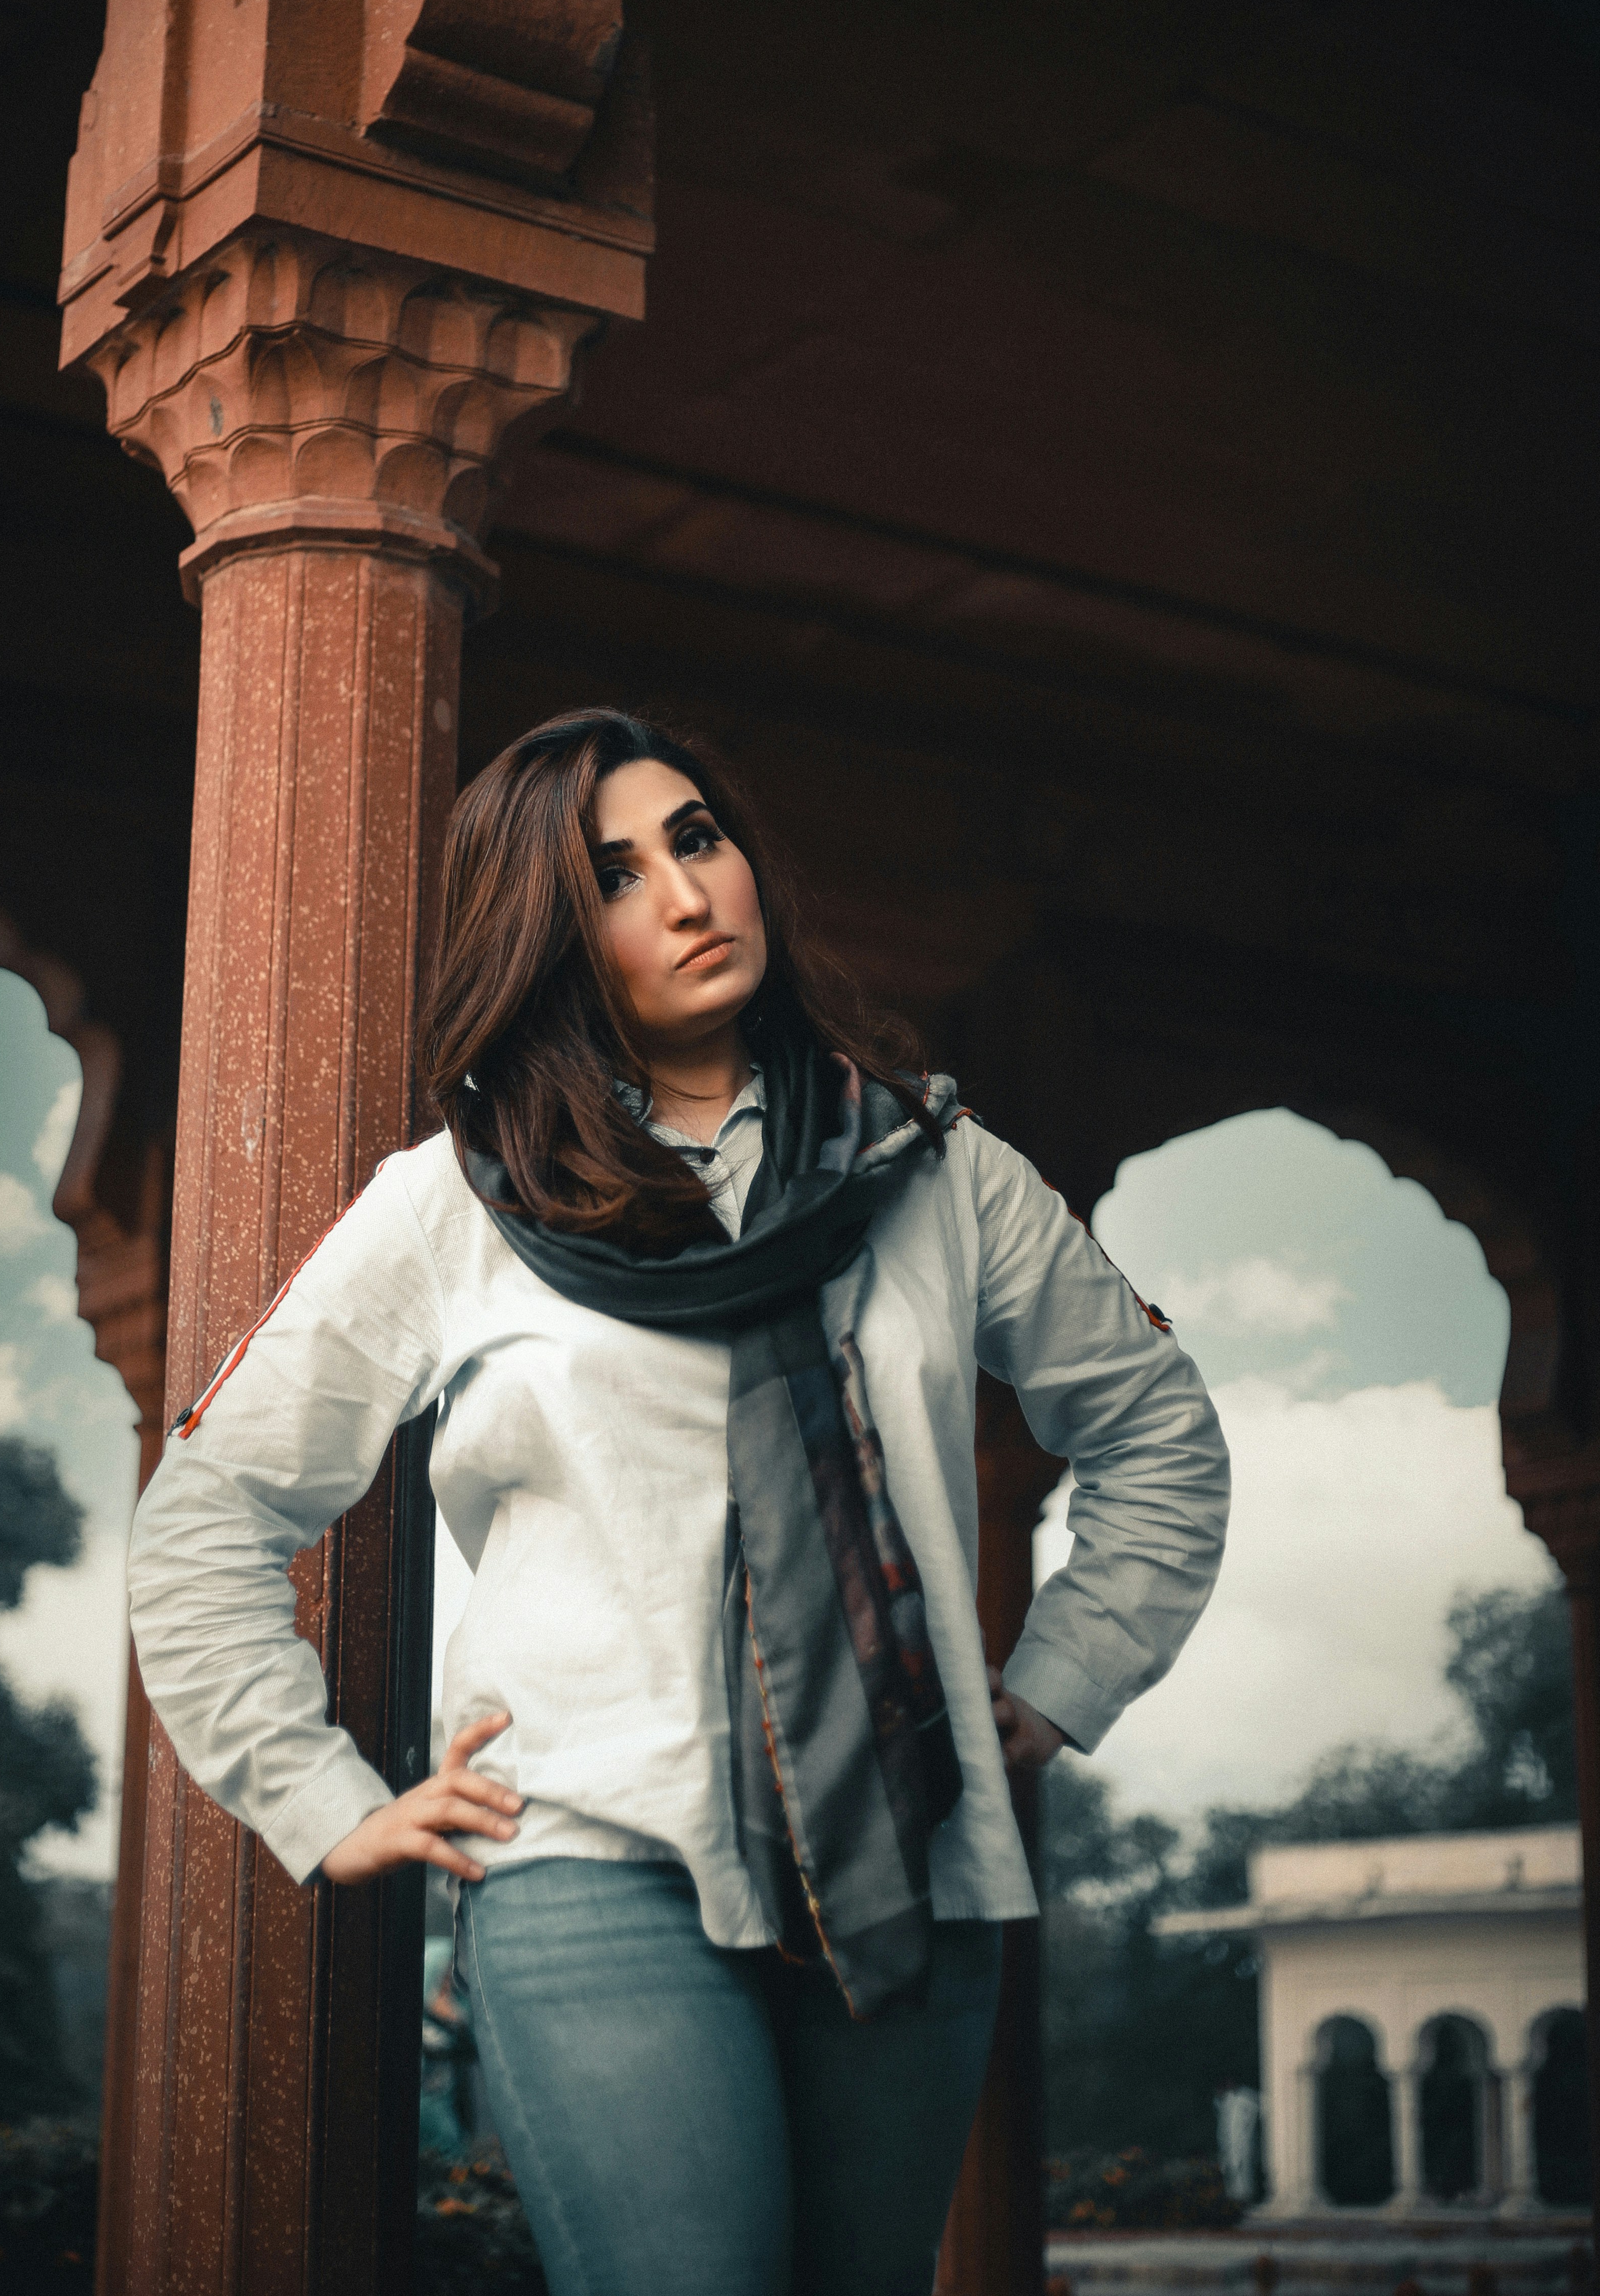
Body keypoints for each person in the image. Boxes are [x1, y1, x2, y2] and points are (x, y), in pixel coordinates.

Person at [127, 707, 1230, 2296]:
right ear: (549, 938)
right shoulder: (453, 1203)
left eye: (697, 838)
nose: (687, 895)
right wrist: (322, 1796)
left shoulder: (936, 1168)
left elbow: (1158, 1434)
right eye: (615, 876)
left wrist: (1059, 1685)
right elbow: (208, 1514)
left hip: (911, 1867)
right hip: (587, 1863)